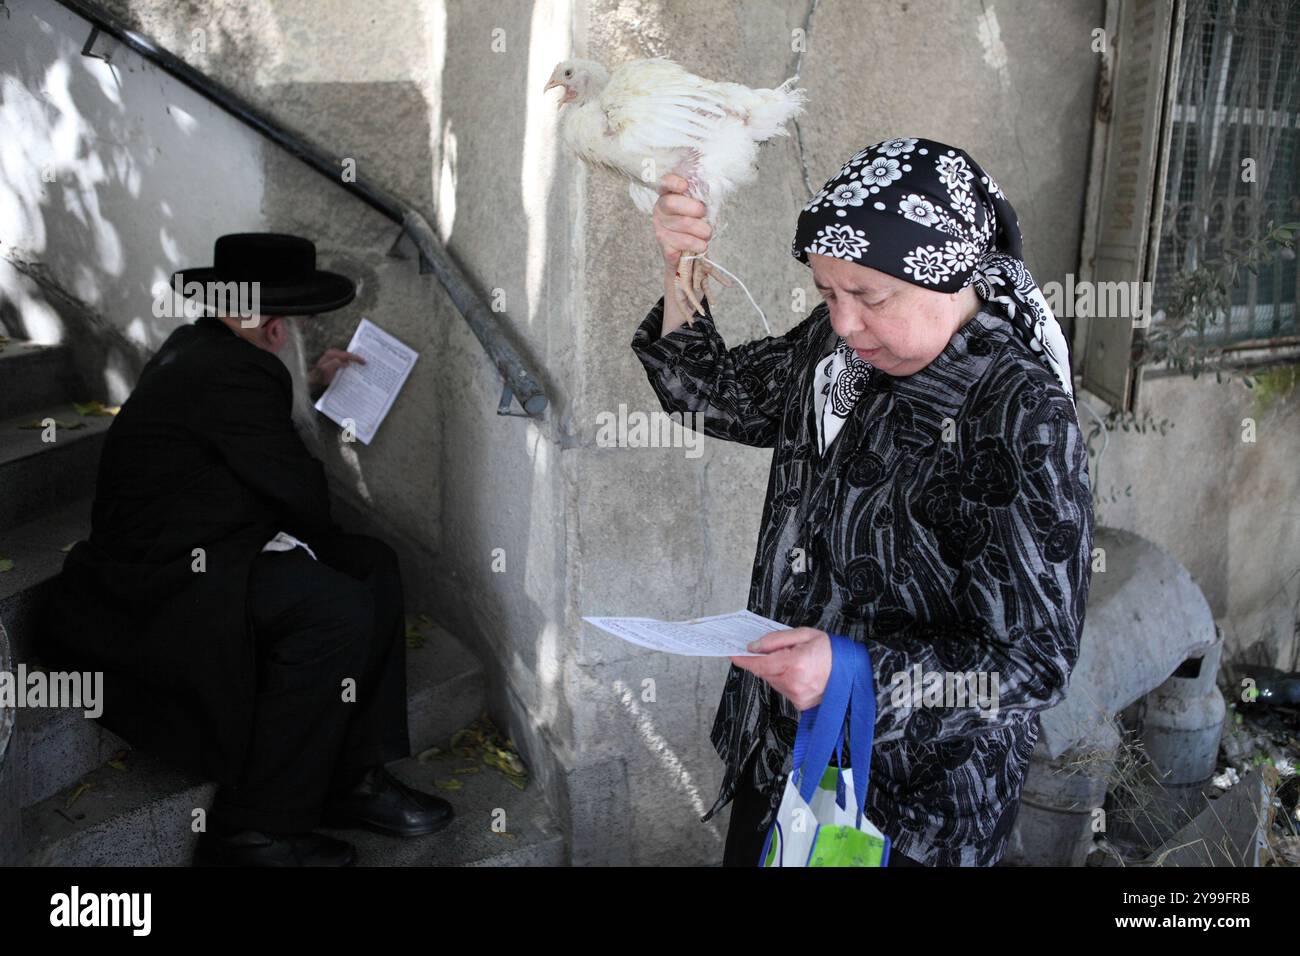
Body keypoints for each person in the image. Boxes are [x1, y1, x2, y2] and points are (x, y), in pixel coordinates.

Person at [631, 138, 1094, 866]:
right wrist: (680, 261)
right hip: (781, 750)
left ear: (948, 278)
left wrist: (855, 675)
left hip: (907, 809)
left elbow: (1033, 662)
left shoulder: (1016, 412)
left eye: (870, 297)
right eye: (827, 294)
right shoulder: (843, 350)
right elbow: (709, 397)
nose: (843, 322)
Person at [42, 232, 452, 866]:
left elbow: (251, 455)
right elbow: (298, 490)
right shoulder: (231, 368)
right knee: (335, 605)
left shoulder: (207, 351)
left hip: (204, 548)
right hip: (157, 584)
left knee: (373, 564)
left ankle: (351, 780)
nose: (281, 328)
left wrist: (306, 389)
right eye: (276, 312)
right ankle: (255, 829)